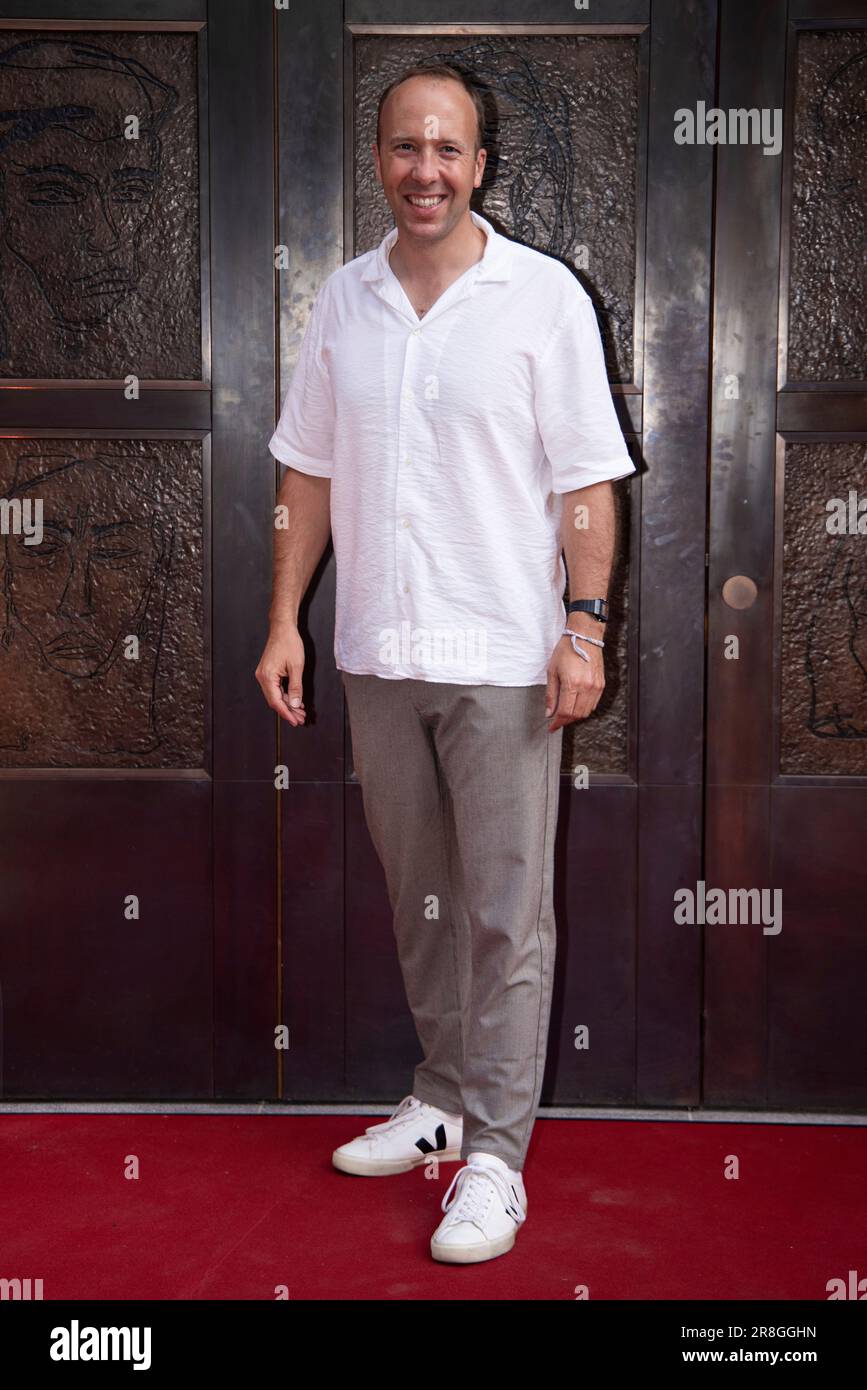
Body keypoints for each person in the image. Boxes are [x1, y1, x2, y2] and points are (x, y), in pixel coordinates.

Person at [256, 63, 636, 1265]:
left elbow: (587, 479)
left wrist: (585, 627)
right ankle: (443, 1101)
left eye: (449, 149)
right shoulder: (343, 303)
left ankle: (496, 1162)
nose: (426, 169)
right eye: (405, 147)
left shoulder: (543, 299)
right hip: (378, 650)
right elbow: (306, 474)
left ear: (481, 164)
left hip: (506, 660)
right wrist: (285, 623)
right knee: (423, 906)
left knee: (503, 917)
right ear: (381, 157)